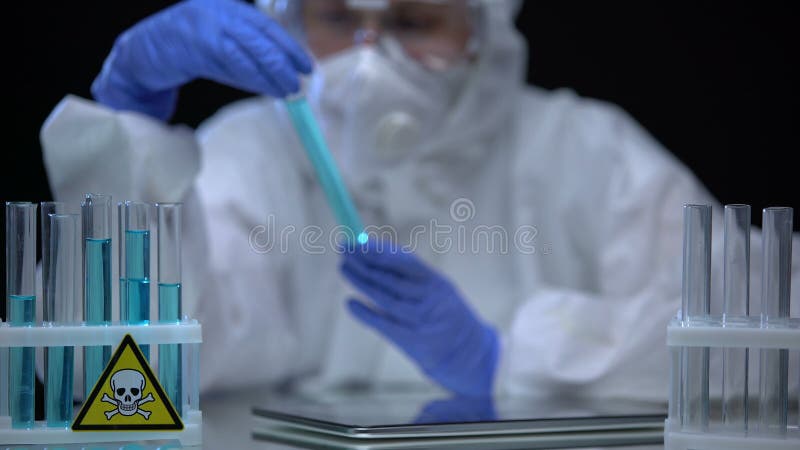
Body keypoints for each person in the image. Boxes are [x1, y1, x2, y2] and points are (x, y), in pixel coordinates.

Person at [41, 0, 799, 400]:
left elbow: (755, 347)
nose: (373, 60)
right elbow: (134, 368)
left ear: (484, 26)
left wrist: (512, 360)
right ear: (289, 17)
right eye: (337, 18)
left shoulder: (582, 150)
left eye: (414, 21)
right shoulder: (255, 148)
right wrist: (129, 130)